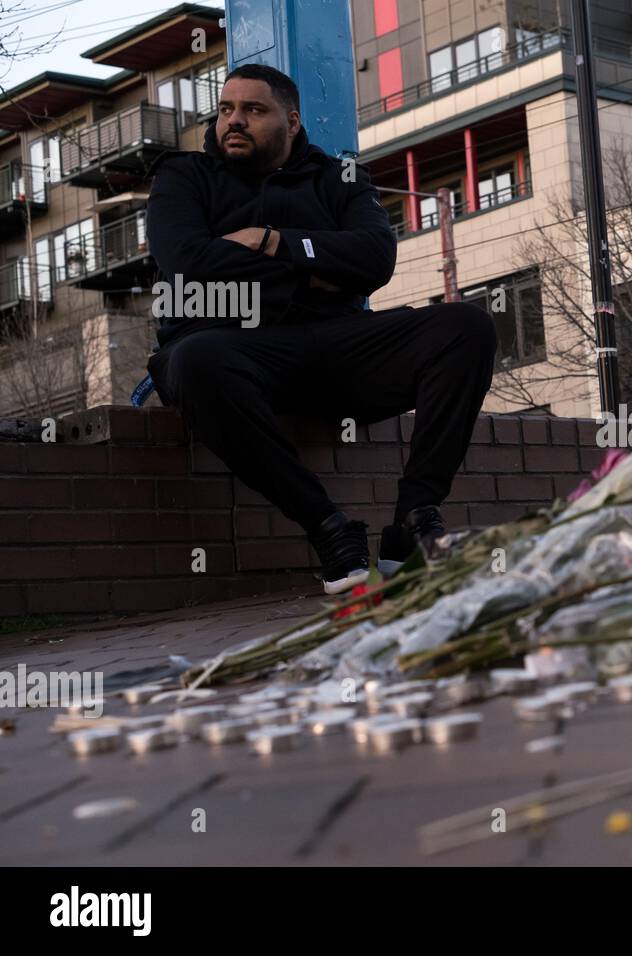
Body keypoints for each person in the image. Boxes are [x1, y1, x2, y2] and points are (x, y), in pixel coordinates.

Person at [145, 64, 497, 594]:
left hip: (336, 349)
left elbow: (375, 259)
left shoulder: (341, 178)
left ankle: (413, 517)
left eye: (252, 110)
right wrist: (314, 276)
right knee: (195, 360)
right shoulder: (183, 177)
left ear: (290, 120)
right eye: (226, 109)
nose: (233, 121)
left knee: (466, 327)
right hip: (229, 349)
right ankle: (329, 528)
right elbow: (189, 267)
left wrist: (273, 243)